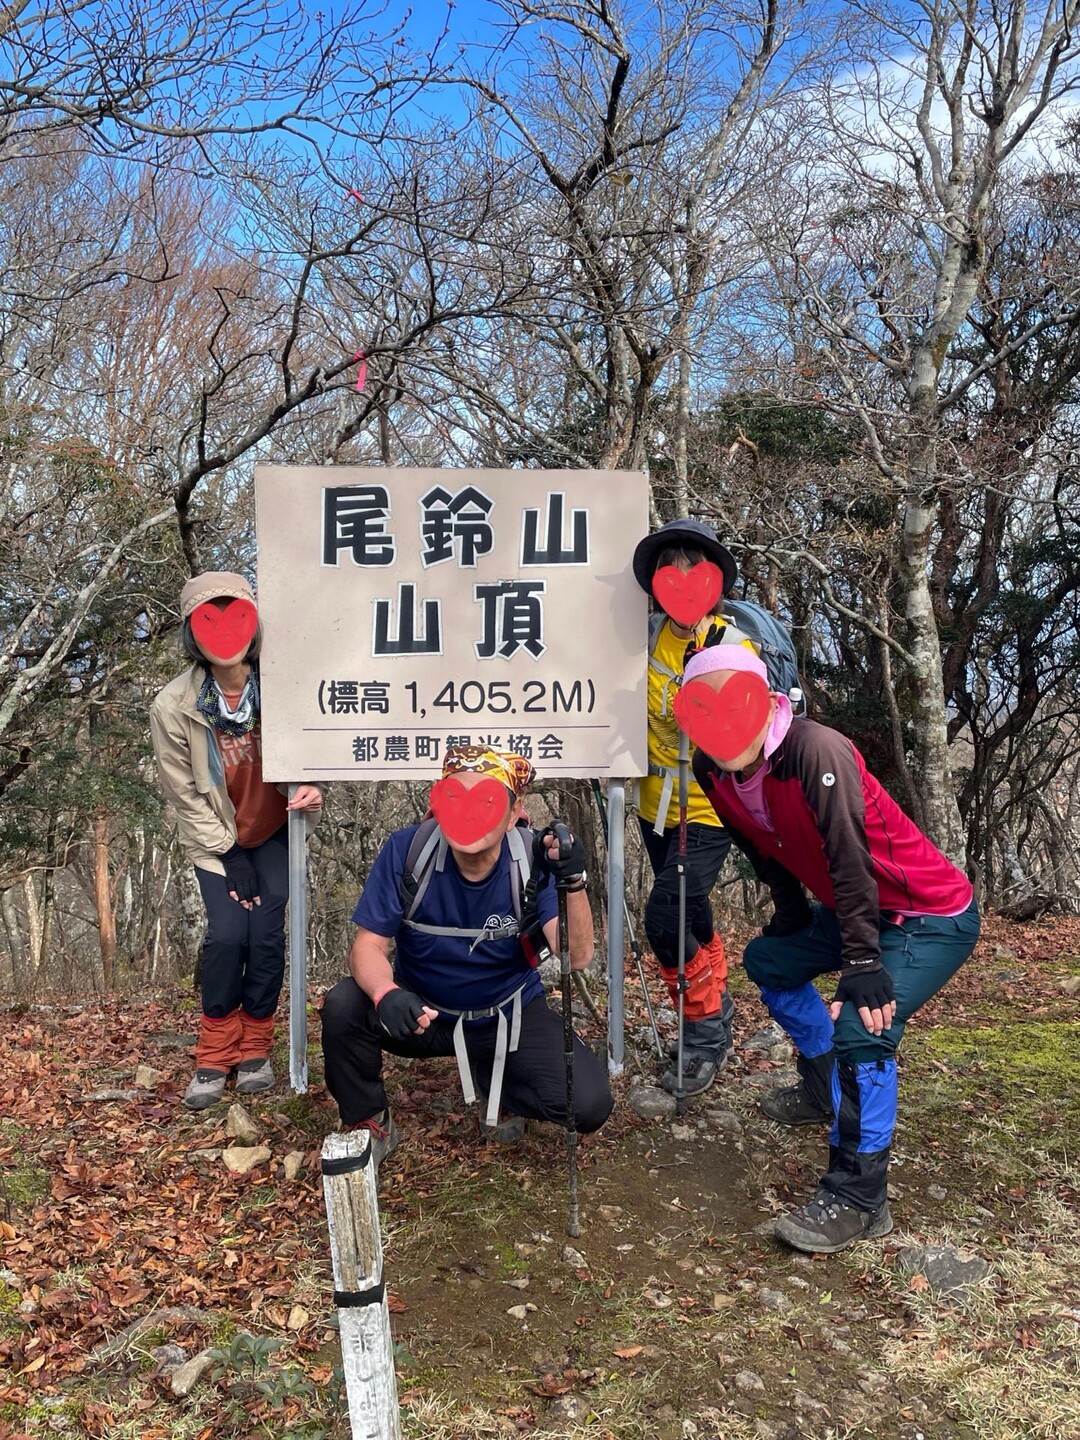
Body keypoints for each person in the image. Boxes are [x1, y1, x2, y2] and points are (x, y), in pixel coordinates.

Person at [678, 642, 980, 1252]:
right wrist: (790, 914)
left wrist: (863, 964)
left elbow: (850, 859)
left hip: (928, 913)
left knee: (864, 1027)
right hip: (853, 912)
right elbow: (761, 845)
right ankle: (822, 1088)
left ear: (766, 703)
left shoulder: (816, 750)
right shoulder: (713, 772)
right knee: (768, 962)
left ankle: (859, 1194)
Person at [320, 745, 614, 1163]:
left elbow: (576, 956)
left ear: (514, 812)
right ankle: (368, 1116)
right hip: (424, 1014)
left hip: (509, 1013)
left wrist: (573, 882)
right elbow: (368, 945)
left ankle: (499, 1080)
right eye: (455, 798)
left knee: (587, 1105)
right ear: (437, 803)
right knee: (345, 1005)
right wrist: (387, 993)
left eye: (488, 800)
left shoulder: (532, 860)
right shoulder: (409, 852)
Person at [150, 572, 323, 1110]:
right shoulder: (173, 705)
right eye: (210, 620)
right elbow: (183, 793)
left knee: (266, 937)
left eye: (237, 616)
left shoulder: (282, 687)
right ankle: (212, 1051)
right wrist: (228, 854)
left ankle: (254, 1049)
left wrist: (315, 787)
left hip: (274, 832)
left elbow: (314, 752)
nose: (226, 633)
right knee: (228, 936)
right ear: (192, 633)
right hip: (216, 840)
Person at [630, 518, 747, 1095]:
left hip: (709, 809)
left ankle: (703, 1033)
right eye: (666, 580)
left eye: (690, 580)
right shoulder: (646, 637)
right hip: (655, 809)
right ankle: (717, 1004)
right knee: (691, 912)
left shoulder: (733, 644)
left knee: (666, 917)